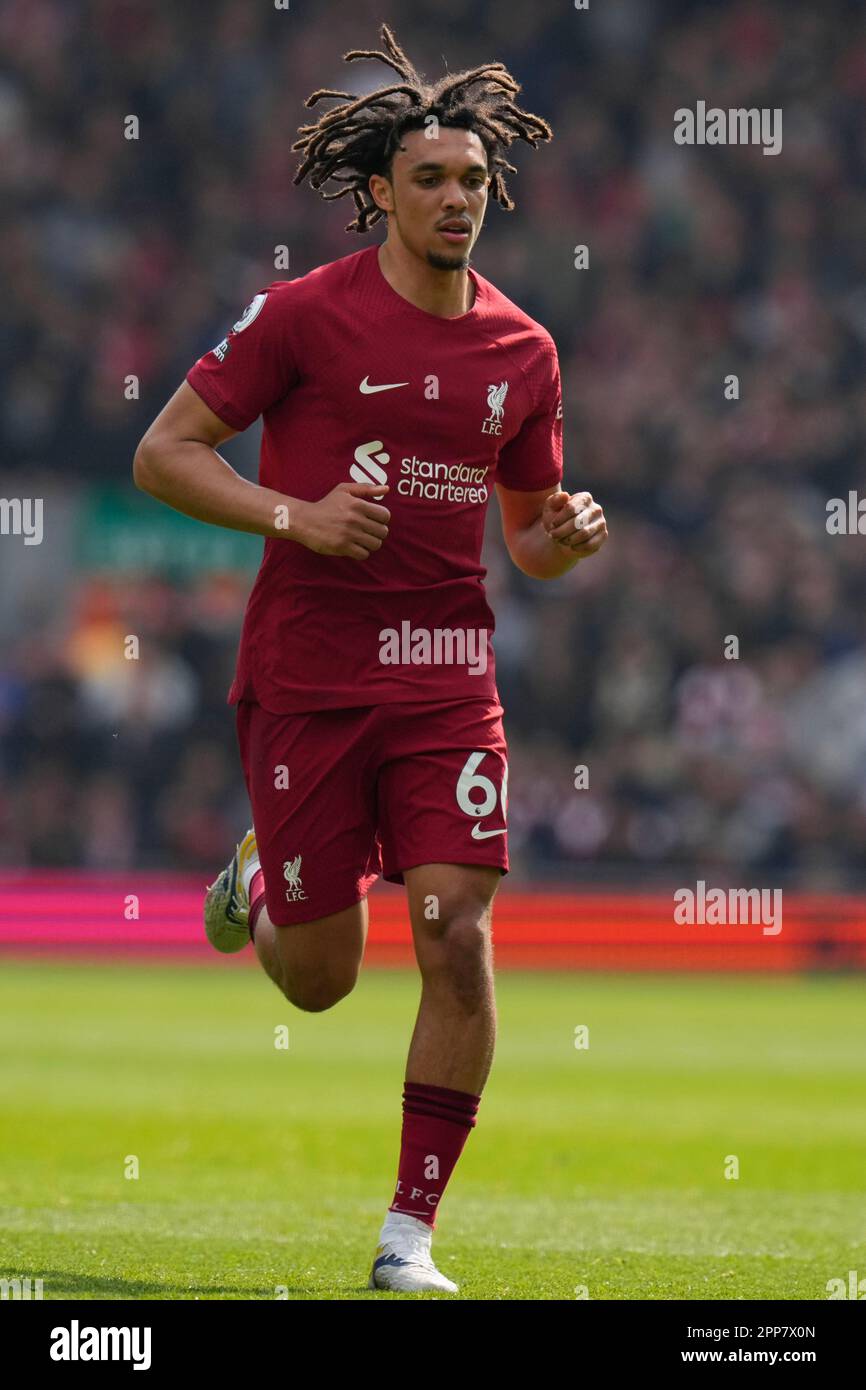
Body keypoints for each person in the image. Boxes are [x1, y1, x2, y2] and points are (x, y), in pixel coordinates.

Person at [133, 23, 608, 1294]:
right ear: (380, 195)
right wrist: (296, 515)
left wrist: (565, 534)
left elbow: (528, 539)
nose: (456, 199)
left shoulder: (524, 351)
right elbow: (163, 454)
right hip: (309, 671)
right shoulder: (300, 318)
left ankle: (408, 1237)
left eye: (472, 182)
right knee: (322, 983)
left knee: (456, 937)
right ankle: (260, 875)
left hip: (448, 677)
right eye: (430, 181)